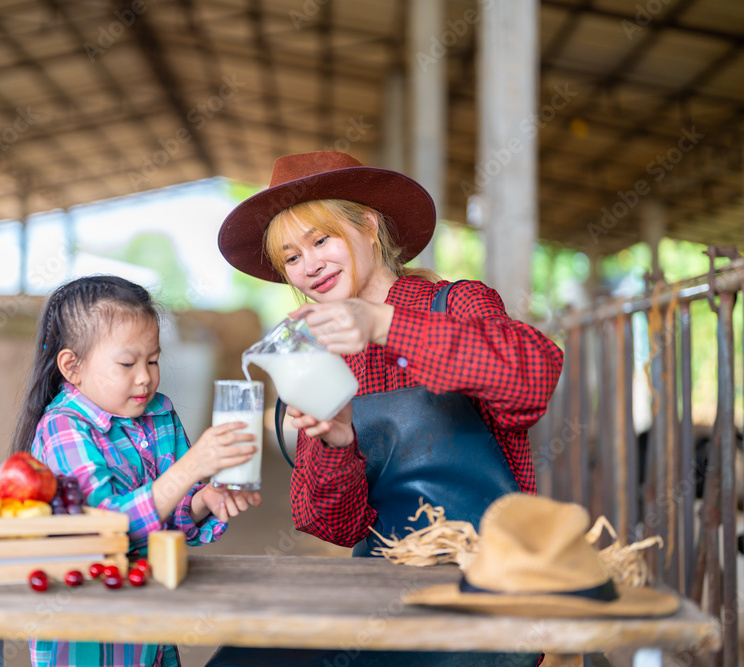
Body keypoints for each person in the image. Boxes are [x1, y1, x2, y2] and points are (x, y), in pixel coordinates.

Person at [211, 151, 563, 667]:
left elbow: (532, 378)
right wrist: (338, 442)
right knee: (242, 661)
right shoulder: (315, 364)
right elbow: (331, 524)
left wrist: (385, 324)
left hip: (492, 588)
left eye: (320, 239)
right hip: (383, 586)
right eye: (291, 257)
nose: (308, 267)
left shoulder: (459, 305)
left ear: (370, 227)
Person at [10, 275, 261, 667]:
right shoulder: (64, 428)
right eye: (127, 363)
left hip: (152, 629)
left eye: (153, 360)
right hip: (88, 639)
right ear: (72, 367)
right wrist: (192, 466)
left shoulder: (160, 414)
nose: (145, 376)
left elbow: (168, 521)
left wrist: (203, 501)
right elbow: (106, 527)